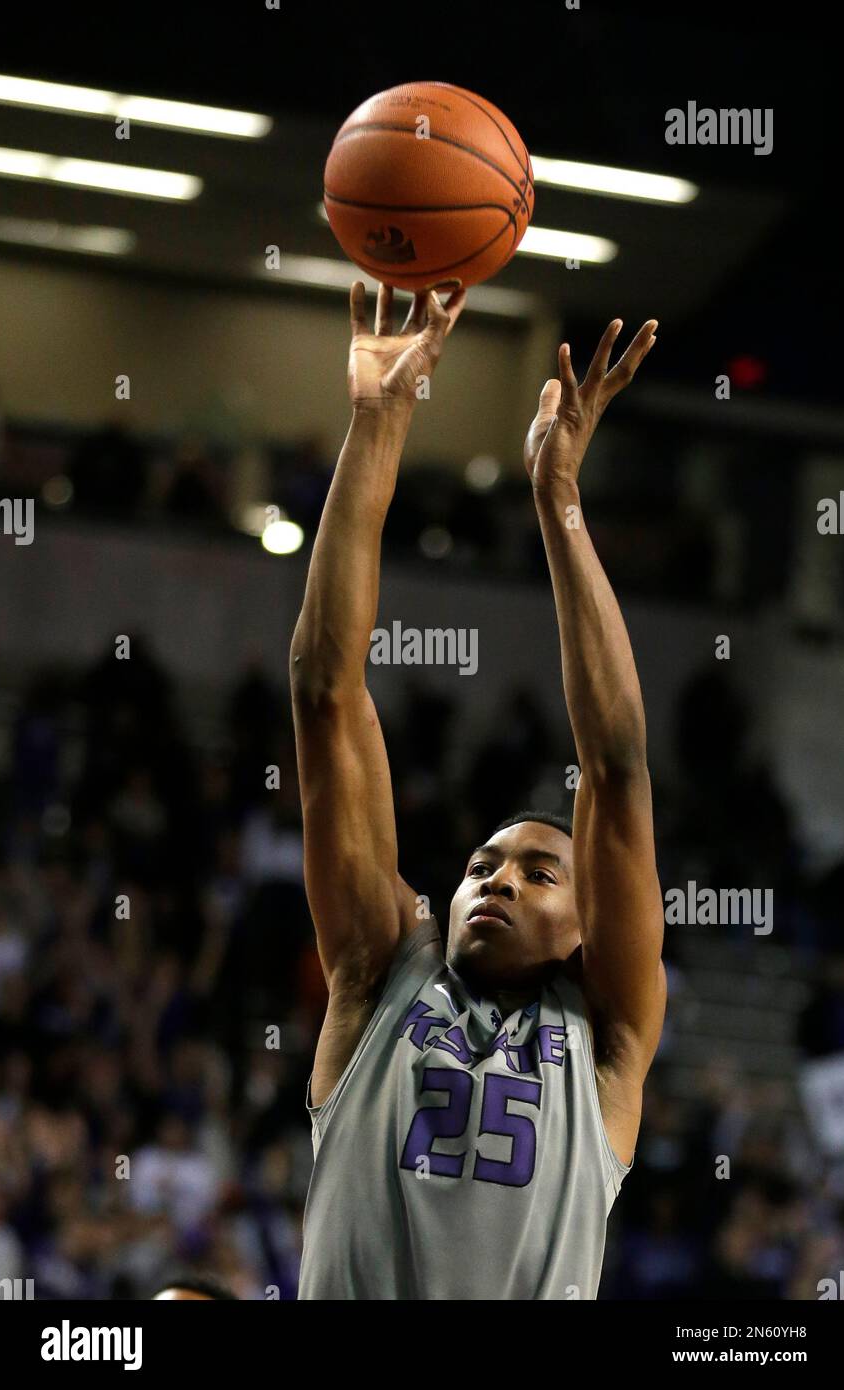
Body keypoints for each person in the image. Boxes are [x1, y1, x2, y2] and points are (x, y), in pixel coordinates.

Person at [290, 280, 666, 1300]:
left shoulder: (608, 1038)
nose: (495, 881)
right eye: (479, 865)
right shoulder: (378, 975)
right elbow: (326, 691)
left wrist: (557, 501)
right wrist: (378, 421)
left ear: (590, 930)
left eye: (539, 872)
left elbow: (618, 768)